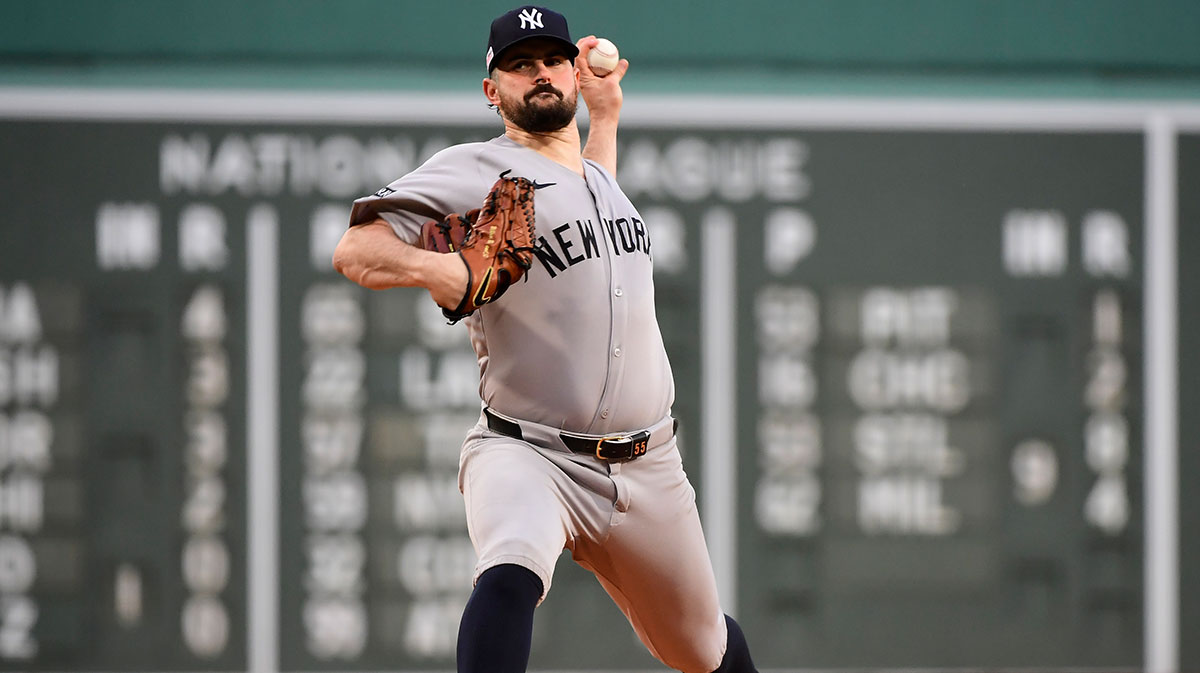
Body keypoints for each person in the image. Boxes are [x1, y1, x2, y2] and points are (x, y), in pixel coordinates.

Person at [333, 6, 758, 673]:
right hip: (529, 451)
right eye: (520, 64)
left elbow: (583, 193)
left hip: (647, 465)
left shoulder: (600, 182)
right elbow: (356, 248)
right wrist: (444, 271)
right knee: (511, 571)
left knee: (704, 649)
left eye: (553, 60)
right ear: (491, 90)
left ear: (571, 72)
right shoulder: (477, 168)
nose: (541, 73)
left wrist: (606, 117)